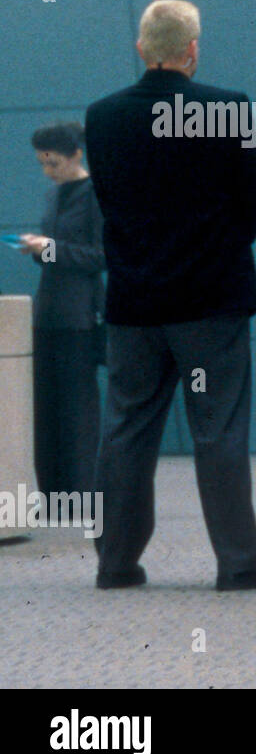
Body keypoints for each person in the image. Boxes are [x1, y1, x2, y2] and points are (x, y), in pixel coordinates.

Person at [85, 0, 256, 592]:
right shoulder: (226, 109)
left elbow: (111, 203)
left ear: (141, 50)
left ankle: (115, 561)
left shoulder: (102, 117)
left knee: (124, 429)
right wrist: (222, 249)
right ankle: (238, 562)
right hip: (210, 300)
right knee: (217, 429)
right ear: (193, 49)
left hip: (134, 304)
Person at [20, 122, 105, 500]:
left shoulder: (97, 195)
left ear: (76, 155)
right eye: (41, 164)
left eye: (53, 163)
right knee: (46, 407)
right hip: (48, 312)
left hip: (79, 316)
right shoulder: (54, 197)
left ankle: (82, 491)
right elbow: (55, 256)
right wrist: (37, 249)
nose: (47, 172)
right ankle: (53, 493)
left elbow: (101, 257)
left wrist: (49, 249)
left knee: (76, 408)